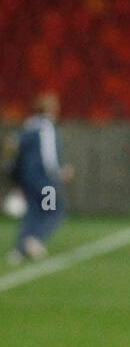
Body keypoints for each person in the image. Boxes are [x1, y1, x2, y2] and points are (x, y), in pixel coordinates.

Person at [7, 92, 71, 265]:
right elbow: (48, 154)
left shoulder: (29, 126)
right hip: (44, 179)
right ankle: (34, 240)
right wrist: (58, 171)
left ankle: (18, 251)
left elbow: (14, 148)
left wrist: (16, 176)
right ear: (50, 108)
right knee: (53, 211)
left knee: (33, 212)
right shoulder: (46, 128)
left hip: (27, 179)